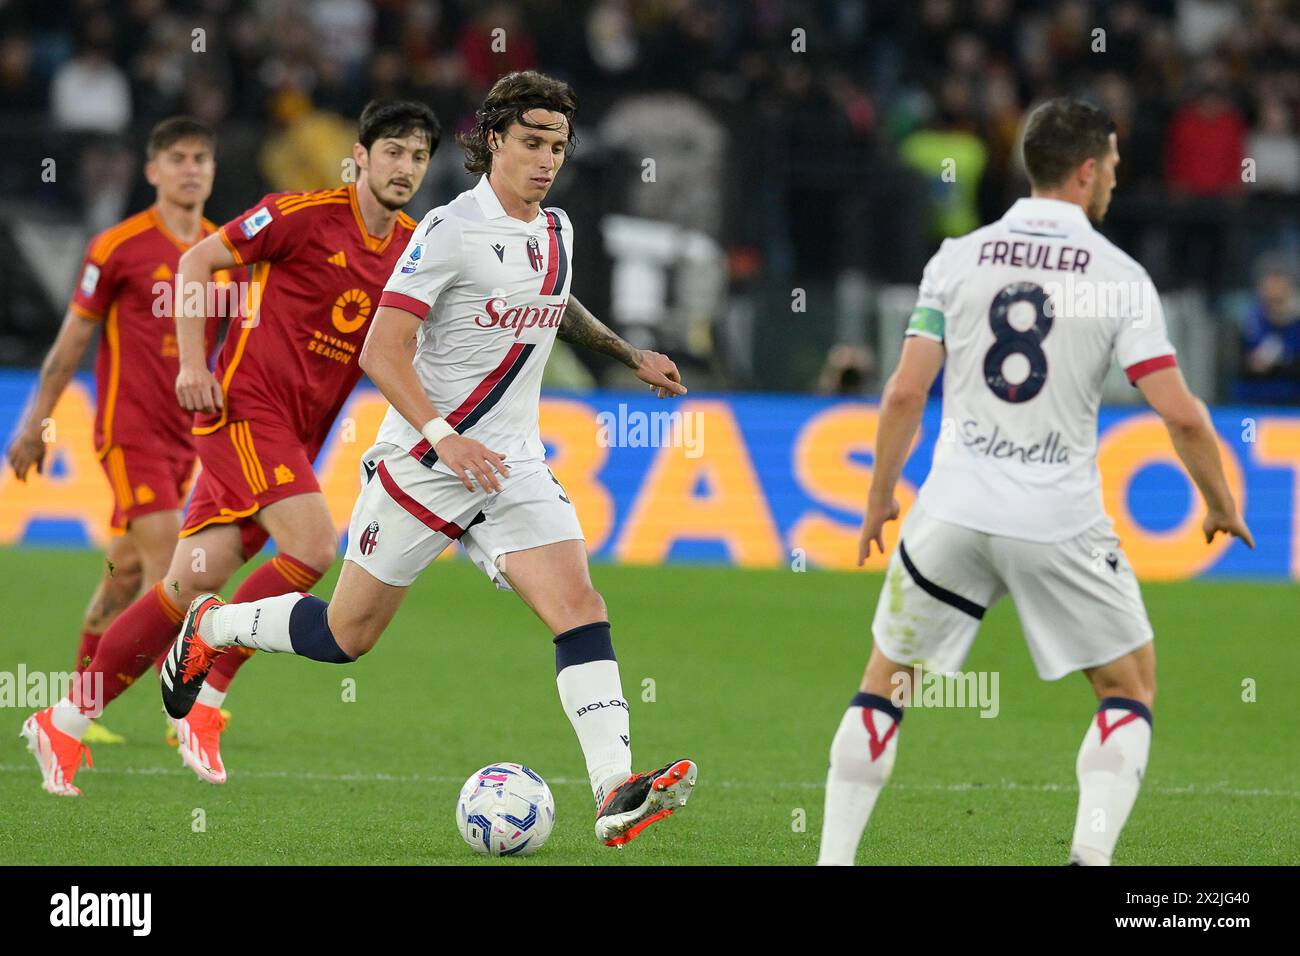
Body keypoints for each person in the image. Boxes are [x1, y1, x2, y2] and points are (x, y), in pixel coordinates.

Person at [159, 71, 698, 848]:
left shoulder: (558, 231)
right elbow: (383, 349)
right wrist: (445, 435)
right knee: (344, 638)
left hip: (509, 465)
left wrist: (626, 352)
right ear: (493, 143)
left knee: (581, 608)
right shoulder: (446, 229)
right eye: (533, 143)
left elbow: (553, 302)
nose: (549, 159)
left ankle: (615, 788)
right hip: (424, 463)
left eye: (559, 145)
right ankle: (217, 621)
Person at [817, 98, 1254, 866]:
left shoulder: (959, 256)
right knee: (1128, 689)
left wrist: (881, 493)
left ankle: (832, 862)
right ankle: (1089, 859)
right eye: (1113, 165)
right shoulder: (1120, 276)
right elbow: (1182, 416)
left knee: (884, 685)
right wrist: (1219, 500)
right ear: (1087, 171)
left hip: (950, 510)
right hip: (1058, 517)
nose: (1116, 179)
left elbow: (902, 393)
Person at [21, 99, 438, 794]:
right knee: (310, 547)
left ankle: (62, 721)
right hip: (242, 411)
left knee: (186, 585)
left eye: (419, 156)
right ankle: (205, 704)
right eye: (392, 151)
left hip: (295, 437)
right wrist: (192, 364)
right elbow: (196, 261)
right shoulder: (300, 214)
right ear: (359, 156)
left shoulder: (411, 250)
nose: (406, 167)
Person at [7, 117, 224, 746]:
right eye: (177, 158)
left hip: (191, 440)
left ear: (212, 171)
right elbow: (69, 344)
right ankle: (183, 712)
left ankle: (77, 708)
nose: (190, 169)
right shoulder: (118, 247)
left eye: (200, 158)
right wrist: (35, 425)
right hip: (128, 434)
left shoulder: (221, 254)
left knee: (124, 574)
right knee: (174, 566)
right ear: (153, 171)